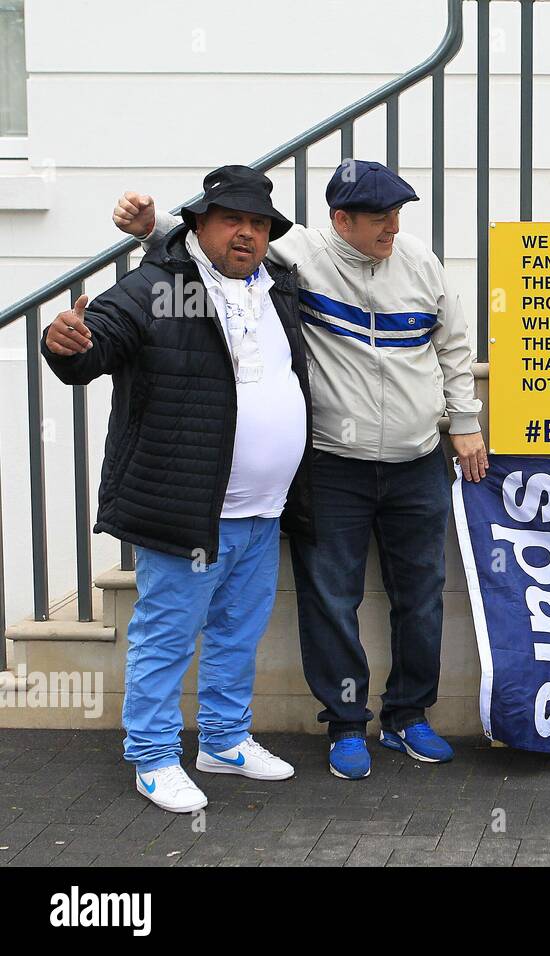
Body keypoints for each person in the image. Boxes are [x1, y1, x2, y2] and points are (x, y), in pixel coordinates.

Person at [113, 159, 486, 781]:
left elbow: (452, 348)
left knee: (420, 596)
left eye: (397, 214)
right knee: (331, 598)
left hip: (417, 460)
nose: (393, 227)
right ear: (340, 220)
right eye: (379, 218)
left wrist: (465, 421)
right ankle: (344, 722)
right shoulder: (296, 255)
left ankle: (408, 716)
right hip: (332, 468)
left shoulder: (421, 263)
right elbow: (211, 257)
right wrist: (152, 234)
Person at [44, 166, 309, 812]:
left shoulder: (279, 287)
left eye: (258, 223)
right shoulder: (157, 288)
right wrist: (67, 345)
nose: (246, 233)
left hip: (262, 509)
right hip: (189, 508)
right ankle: (154, 755)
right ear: (198, 226)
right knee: (166, 635)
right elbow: (93, 347)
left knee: (236, 634)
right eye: (231, 220)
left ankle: (223, 740)